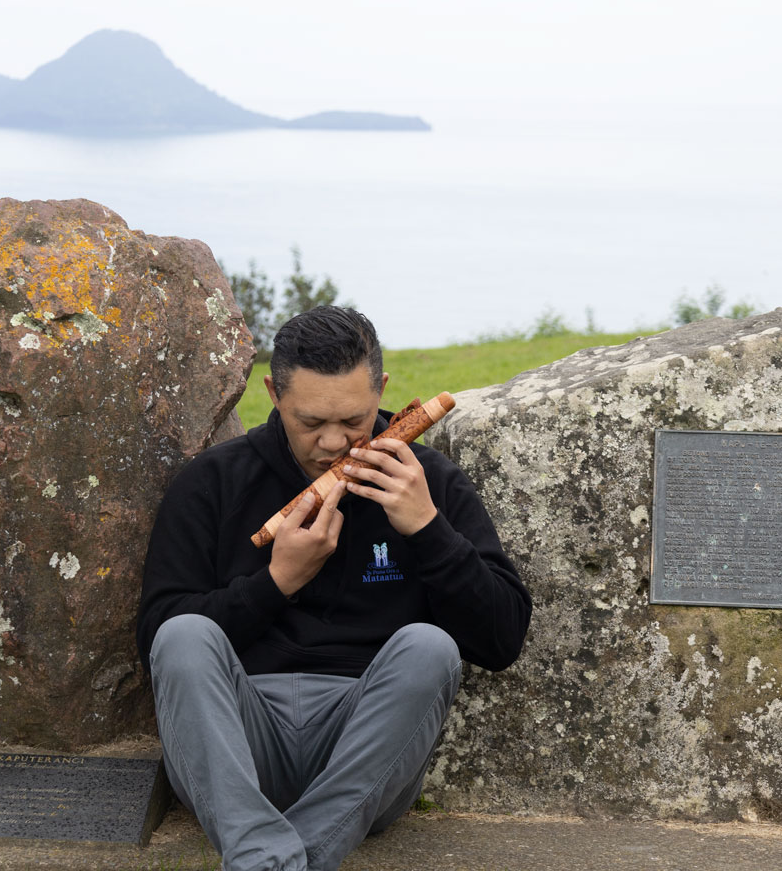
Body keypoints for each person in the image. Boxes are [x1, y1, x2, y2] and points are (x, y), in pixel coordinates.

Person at [137, 306, 531, 871]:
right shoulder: (213, 481)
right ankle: (274, 853)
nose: (332, 443)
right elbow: (157, 646)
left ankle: (272, 860)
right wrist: (277, 582)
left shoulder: (429, 481)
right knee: (183, 635)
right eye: (309, 422)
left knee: (430, 646)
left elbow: (503, 640)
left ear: (383, 392)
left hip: (367, 752)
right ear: (273, 393)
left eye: (353, 420)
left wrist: (428, 530)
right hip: (238, 747)